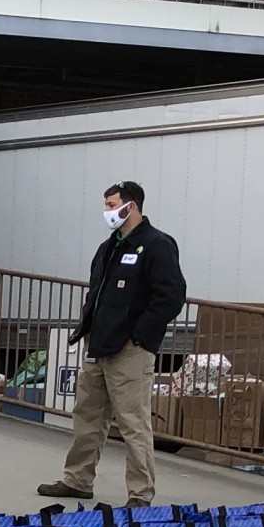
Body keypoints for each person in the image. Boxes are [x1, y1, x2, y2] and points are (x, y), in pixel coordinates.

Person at [40, 180, 185, 507]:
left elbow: (171, 297)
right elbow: (98, 293)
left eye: (111, 205)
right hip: (99, 345)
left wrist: (140, 335)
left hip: (130, 351)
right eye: (105, 205)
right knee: (87, 416)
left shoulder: (156, 245)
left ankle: (140, 493)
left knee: (133, 424)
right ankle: (77, 479)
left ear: (130, 206)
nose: (106, 212)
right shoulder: (109, 247)